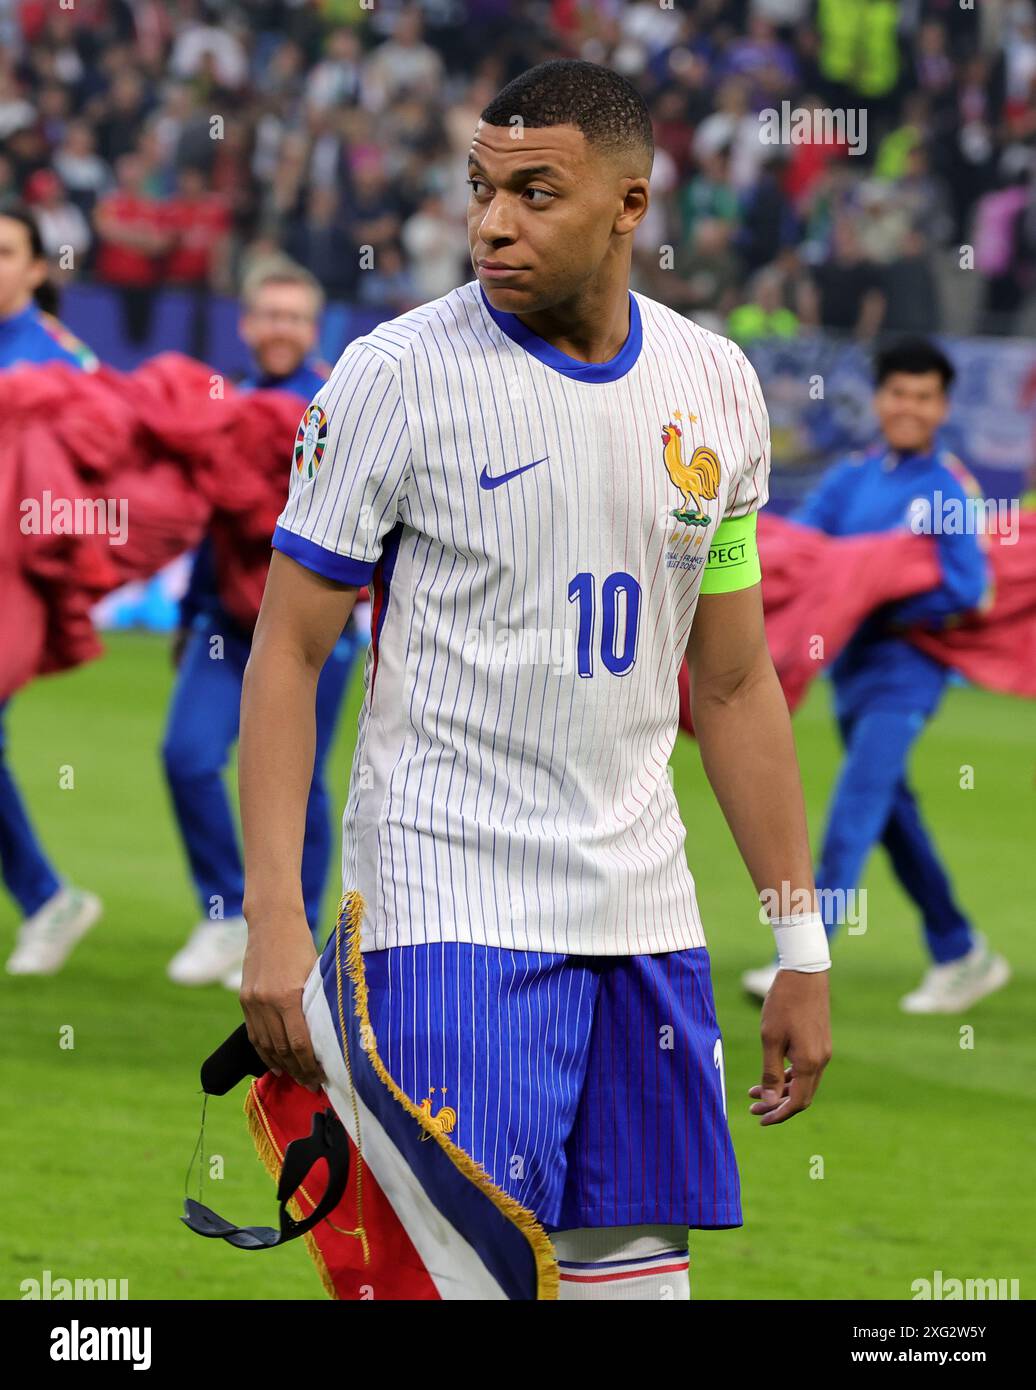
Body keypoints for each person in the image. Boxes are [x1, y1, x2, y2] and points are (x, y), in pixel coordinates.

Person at [236, 60, 831, 1301]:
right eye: (479, 188)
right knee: (471, 1289)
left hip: (646, 930)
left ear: (630, 203)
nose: (492, 222)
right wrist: (277, 919)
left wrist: (798, 942)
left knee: (637, 1297)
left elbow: (728, 685)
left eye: (534, 192)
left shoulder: (716, 385)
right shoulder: (394, 378)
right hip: (447, 917)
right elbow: (288, 651)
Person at [742, 338, 1010, 1013]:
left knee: (855, 810)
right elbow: (801, 551)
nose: (909, 407)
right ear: (881, 399)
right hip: (852, 667)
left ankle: (799, 959)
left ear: (943, 406)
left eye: (924, 396)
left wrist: (882, 590)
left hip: (907, 669)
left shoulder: (950, 488)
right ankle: (960, 949)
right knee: (893, 815)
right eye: (898, 393)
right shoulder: (851, 477)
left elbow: (969, 588)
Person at [163, 260, 363, 990]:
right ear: (246, 324)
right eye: (268, 315)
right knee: (186, 756)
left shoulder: (339, 404)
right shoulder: (231, 400)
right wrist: (189, 616)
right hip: (227, 624)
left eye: (294, 318)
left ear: (314, 329)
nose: (279, 328)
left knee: (299, 778)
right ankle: (223, 914)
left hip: (317, 627)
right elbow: (212, 525)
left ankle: (295, 939)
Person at [0, 205, 101, 975]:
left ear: (37, 268)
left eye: (5, 252)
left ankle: (45, 897)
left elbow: (103, 472)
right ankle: (45, 899)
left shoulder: (62, 361)